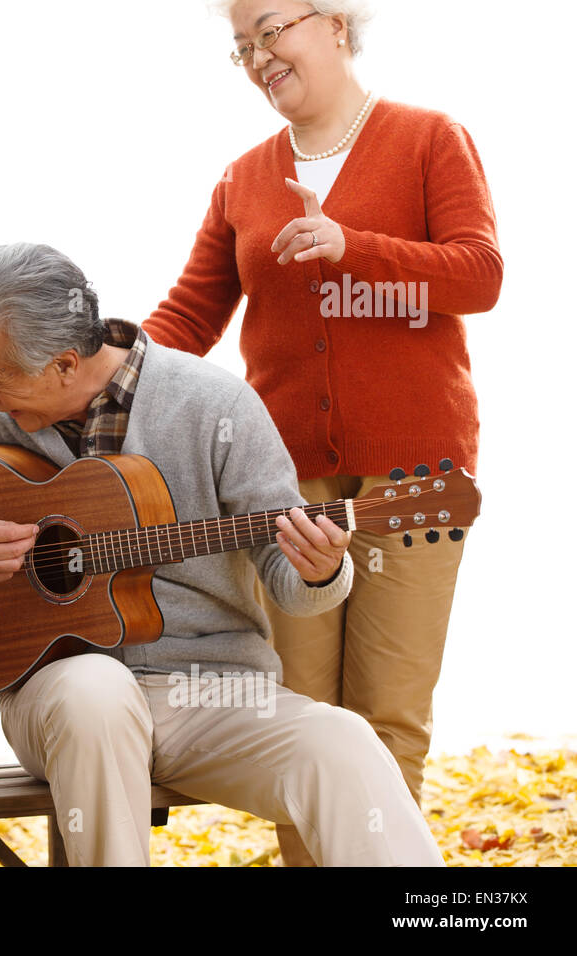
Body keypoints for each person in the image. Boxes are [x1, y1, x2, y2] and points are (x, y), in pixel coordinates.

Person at [0, 242, 445, 866]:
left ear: (64, 364)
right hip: (62, 697)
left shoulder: (213, 406)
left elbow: (288, 576)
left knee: (344, 742)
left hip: (213, 691)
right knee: (96, 689)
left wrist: (324, 568)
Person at [140, 0, 502, 865]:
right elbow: (190, 315)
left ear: (336, 24)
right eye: (240, 48)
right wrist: (93, 372)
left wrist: (353, 247)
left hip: (417, 475)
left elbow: (479, 275)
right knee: (299, 718)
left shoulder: (429, 138)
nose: (258, 55)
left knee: (387, 715)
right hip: (283, 480)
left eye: (271, 30)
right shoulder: (241, 178)